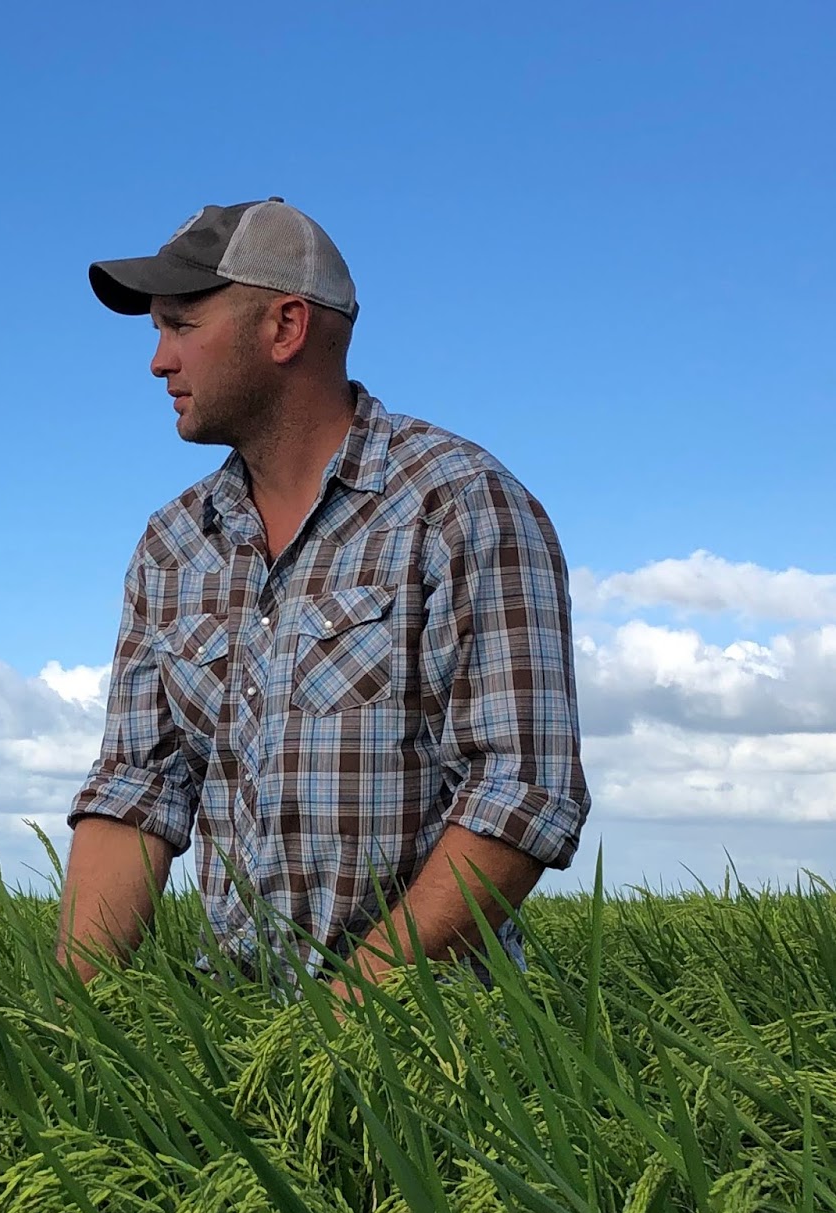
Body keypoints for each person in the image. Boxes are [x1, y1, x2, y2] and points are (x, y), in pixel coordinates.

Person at [56, 197, 590, 1005]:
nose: (159, 361)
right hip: (232, 1024)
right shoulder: (172, 545)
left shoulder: (455, 503)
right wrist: (65, 1023)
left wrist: (344, 1017)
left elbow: (521, 788)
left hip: (434, 1033)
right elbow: (137, 790)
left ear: (286, 327)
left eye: (182, 325)